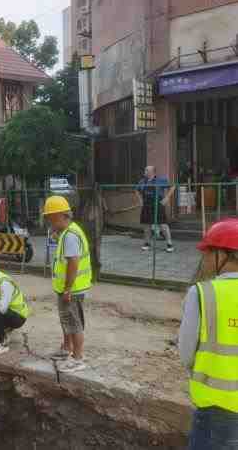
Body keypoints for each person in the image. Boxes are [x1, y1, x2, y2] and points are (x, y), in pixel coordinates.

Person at [178, 219, 238, 449]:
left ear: (223, 255)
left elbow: (185, 354)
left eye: (207, 252)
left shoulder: (202, 293)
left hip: (216, 407)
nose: (204, 259)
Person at [43, 195, 93, 374]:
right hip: (65, 288)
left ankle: (78, 358)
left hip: (72, 289)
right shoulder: (66, 232)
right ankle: (67, 349)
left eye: (50, 217)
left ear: (60, 215)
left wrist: (68, 288)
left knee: (74, 323)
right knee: (67, 320)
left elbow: (73, 262)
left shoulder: (70, 235)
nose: (48, 221)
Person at [134, 166, 176, 253]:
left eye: (146, 170)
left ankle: (169, 244)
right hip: (146, 205)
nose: (144, 171)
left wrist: (167, 198)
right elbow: (136, 190)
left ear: (152, 172)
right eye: (145, 169)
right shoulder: (142, 181)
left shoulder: (161, 180)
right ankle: (147, 243)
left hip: (158, 205)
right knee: (146, 226)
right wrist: (141, 200)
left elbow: (173, 187)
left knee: (163, 225)